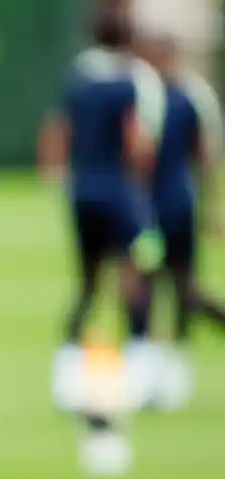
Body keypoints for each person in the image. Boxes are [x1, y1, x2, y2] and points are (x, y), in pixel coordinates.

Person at [38, 0, 166, 412]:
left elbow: (60, 130)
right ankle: (143, 372)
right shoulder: (127, 83)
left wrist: (56, 172)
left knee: (90, 282)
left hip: (82, 193)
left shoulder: (79, 80)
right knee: (141, 271)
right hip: (119, 196)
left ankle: (67, 372)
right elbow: (136, 144)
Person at [134, 31, 225, 409]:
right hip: (171, 203)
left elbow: (202, 156)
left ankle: (170, 370)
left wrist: (213, 208)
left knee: (171, 284)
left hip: (162, 206)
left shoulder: (164, 98)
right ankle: (162, 370)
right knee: (166, 285)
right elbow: (206, 159)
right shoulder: (177, 96)